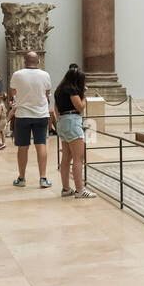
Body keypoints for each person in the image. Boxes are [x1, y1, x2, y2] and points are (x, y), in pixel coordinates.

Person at [9, 51, 53, 189]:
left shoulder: (17, 74)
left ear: (24, 61)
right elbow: (47, 94)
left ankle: (21, 178)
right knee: (41, 144)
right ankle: (43, 178)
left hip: (23, 114)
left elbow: (13, 92)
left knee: (23, 147)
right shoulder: (45, 75)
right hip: (41, 114)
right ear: (38, 61)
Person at [53, 64, 95, 199]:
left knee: (66, 157)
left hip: (62, 122)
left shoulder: (59, 90)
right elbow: (80, 107)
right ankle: (80, 190)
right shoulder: (71, 89)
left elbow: (56, 109)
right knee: (78, 158)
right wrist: (85, 96)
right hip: (72, 121)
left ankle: (66, 188)